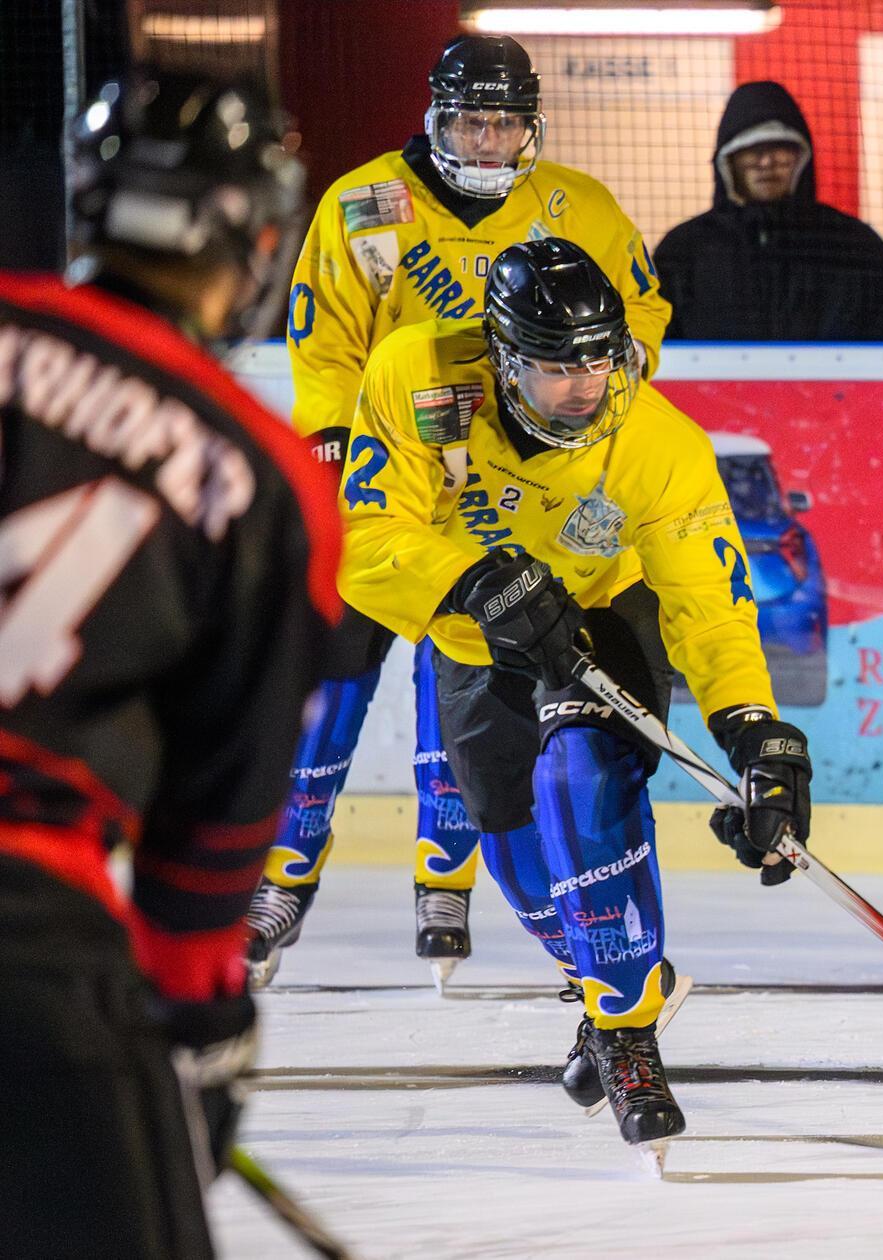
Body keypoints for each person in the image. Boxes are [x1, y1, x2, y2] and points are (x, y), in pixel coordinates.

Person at [335, 236, 809, 1156]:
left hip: (602, 609)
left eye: (601, 359)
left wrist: (755, 731)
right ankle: (619, 977)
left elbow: (709, 608)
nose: (587, 387)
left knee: (583, 788)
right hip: (476, 626)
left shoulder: (658, 443)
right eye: (558, 368)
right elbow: (364, 536)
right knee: (509, 842)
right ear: (504, 359)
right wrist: (471, 581)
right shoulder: (418, 375)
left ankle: (625, 1036)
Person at [251, 32, 672, 991]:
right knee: (335, 680)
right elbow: (323, 348)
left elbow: (639, 314)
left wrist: (616, 373)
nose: (487, 143)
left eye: (505, 123)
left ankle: (445, 879)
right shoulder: (364, 204)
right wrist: (343, 449)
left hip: (507, 494)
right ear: (436, 119)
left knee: (470, 678)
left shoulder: (580, 207)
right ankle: (284, 878)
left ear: (531, 126)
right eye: (469, 122)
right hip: (392, 485)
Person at [0, 73, 338, 1257]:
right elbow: (217, 821)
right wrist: (199, 1019)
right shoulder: (260, 478)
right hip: (30, 942)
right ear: (250, 240)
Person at [653, 80, 883, 341]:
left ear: (800, 157)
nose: (767, 162)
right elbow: (654, 347)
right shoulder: (683, 251)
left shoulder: (853, 244)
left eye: (780, 149)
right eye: (752, 150)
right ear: (729, 161)